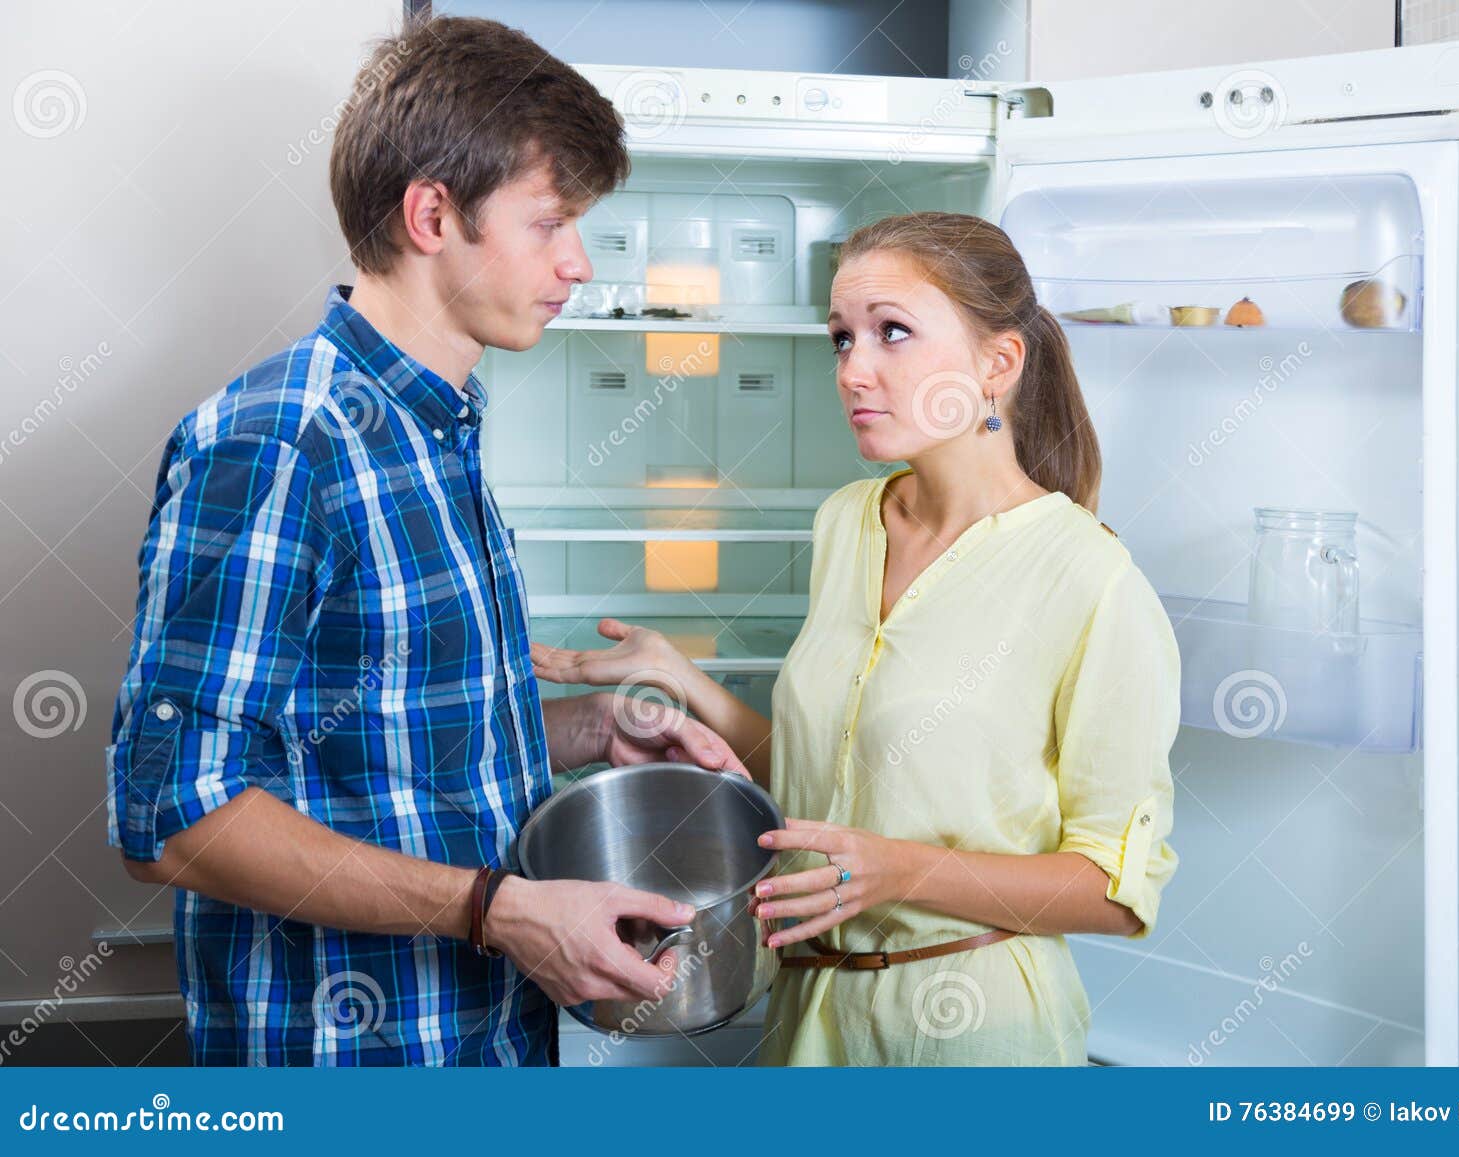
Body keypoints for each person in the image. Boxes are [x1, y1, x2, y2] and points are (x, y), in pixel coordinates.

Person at [104, 15, 746, 1066]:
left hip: (486, 1041)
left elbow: (386, 739)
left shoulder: (436, 426)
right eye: (550, 223)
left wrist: (587, 732)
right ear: (432, 213)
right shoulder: (281, 440)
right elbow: (174, 818)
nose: (578, 262)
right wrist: (499, 908)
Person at [532, 211, 1181, 1065]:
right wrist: (676, 676)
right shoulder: (848, 523)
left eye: (892, 333)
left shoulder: (1091, 581)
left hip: (967, 1034)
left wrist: (903, 872)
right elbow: (832, 779)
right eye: (842, 339)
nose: (853, 370)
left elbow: (1116, 891)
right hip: (806, 1023)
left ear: (998, 364)